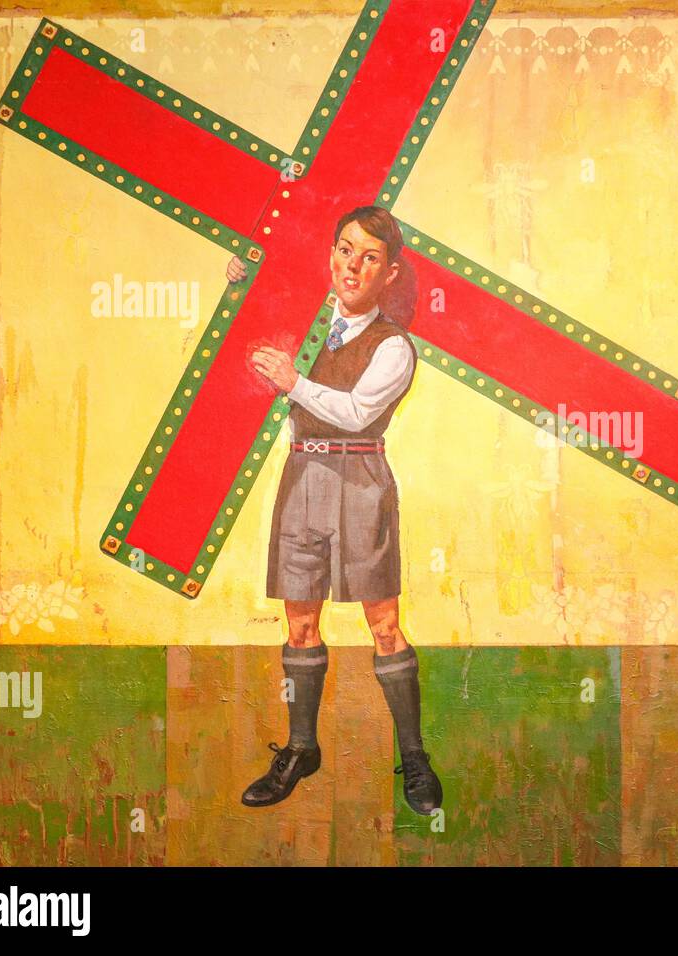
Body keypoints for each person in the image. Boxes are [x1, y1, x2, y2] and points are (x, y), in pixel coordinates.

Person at [230, 204, 443, 815]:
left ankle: (415, 756)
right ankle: (300, 749)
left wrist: (292, 385)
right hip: (303, 475)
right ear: (331, 254)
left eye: (369, 257)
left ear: (390, 273)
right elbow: (247, 328)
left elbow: (354, 413)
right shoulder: (304, 325)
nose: (353, 265)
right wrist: (238, 279)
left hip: (361, 479)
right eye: (345, 249)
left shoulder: (394, 347)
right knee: (299, 622)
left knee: (382, 624)